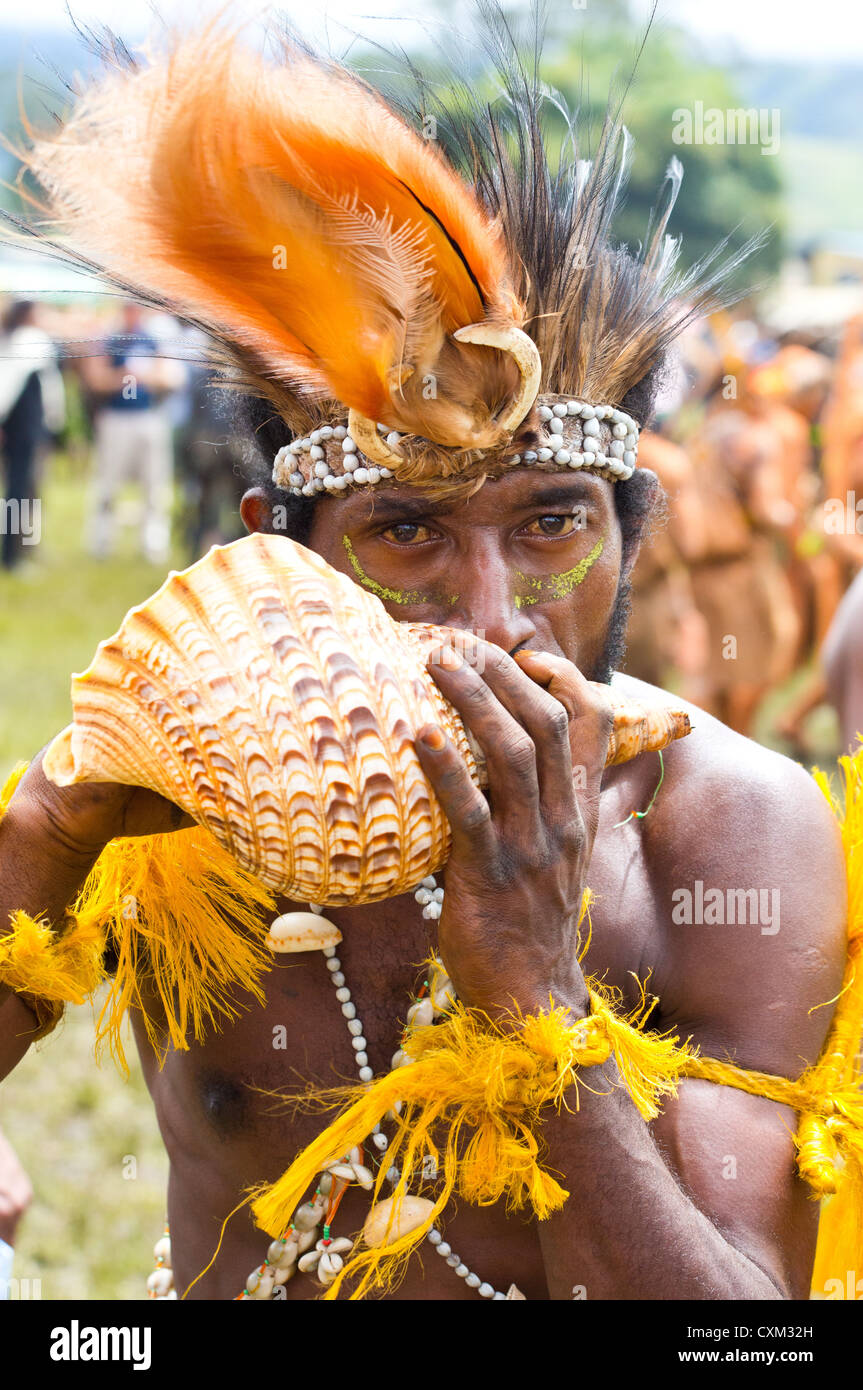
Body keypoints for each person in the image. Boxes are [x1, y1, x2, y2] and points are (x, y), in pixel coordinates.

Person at [0, 19, 858, 1302]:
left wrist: (539, 1010)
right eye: (405, 533)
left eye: (552, 522)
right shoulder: (176, 809)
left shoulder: (729, 834)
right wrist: (49, 836)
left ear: (635, 533)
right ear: (279, 558)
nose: (491, 615)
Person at [81, 302, 183, 564]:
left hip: (147, 416)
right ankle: (101, 539)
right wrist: (123, 377)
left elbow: (168, 378)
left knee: (154, 482)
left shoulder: (151, 340)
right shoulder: (111, 340)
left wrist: (143, 377)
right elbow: (96, 378)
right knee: (107, 482)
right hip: (116, 417)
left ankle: (153, 541)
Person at [0, 300, 65, 570]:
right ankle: (12, 556)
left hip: (23, 431)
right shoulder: (31, 339)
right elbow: (9, 386)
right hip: (23, 432)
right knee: (19, 492)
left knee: (23, 492)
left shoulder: (15, 339)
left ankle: (20, 551)